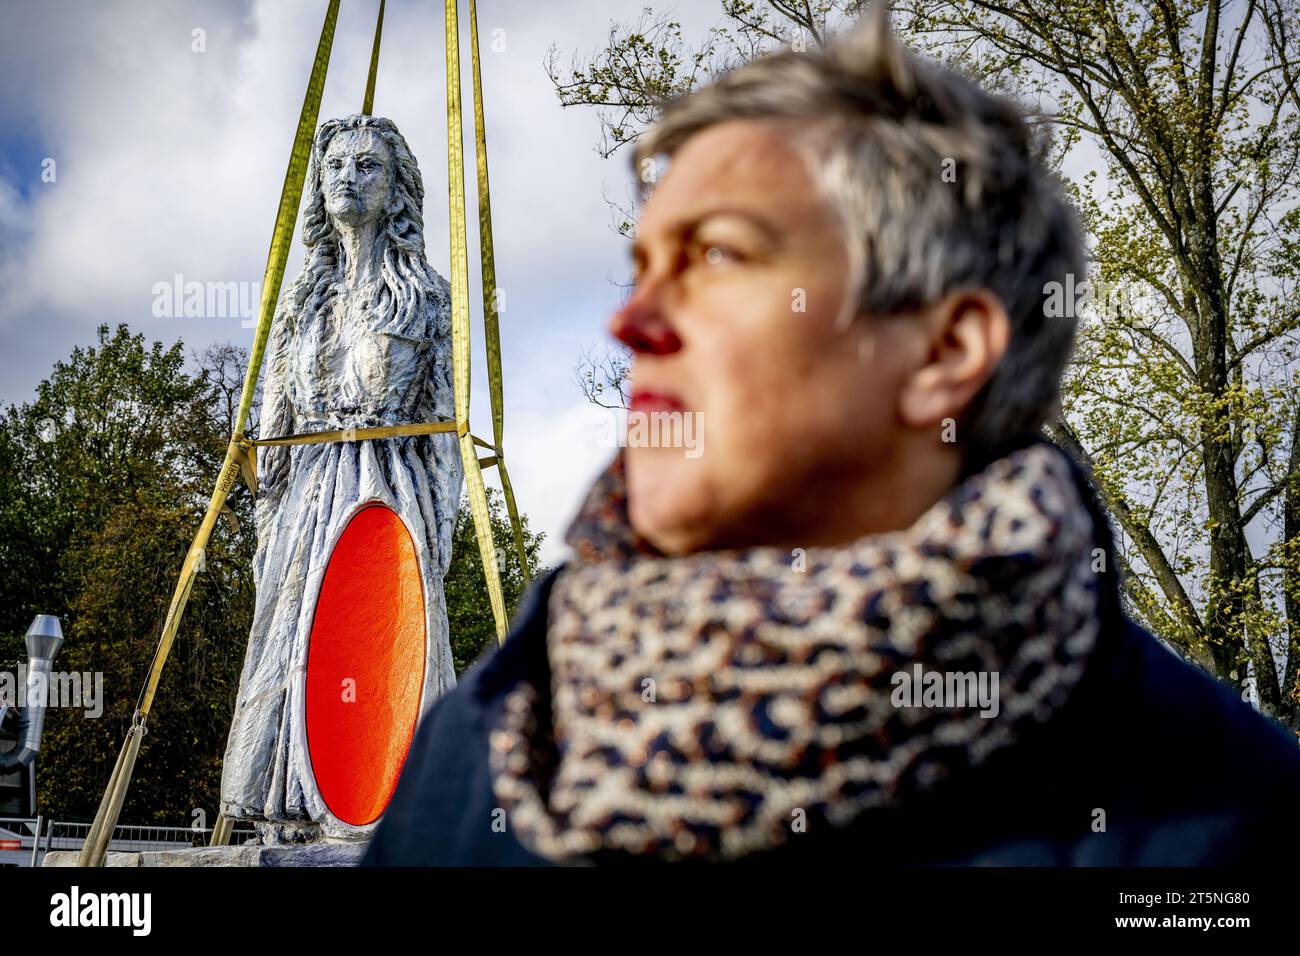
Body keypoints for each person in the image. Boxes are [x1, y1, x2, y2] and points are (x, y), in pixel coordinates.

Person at [363, 5, 1300, 865]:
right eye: (641, 266)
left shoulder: (1229, 824)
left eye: (719, 254)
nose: (633, 321)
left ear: (943, 350)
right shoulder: (470, 757)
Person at [220, 115, 463, 839]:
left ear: (394, 190)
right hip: (306, 505)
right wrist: (267, 524)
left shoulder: (425, 297)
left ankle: (383, 808)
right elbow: (276, 429)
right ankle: (289, 805)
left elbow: (443, 425)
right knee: (298, 643)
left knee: (382, 645)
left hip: (388, 498)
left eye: (367, 167)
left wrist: (442, 525)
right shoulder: (301, 307)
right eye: (335, 169)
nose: (348, 180)